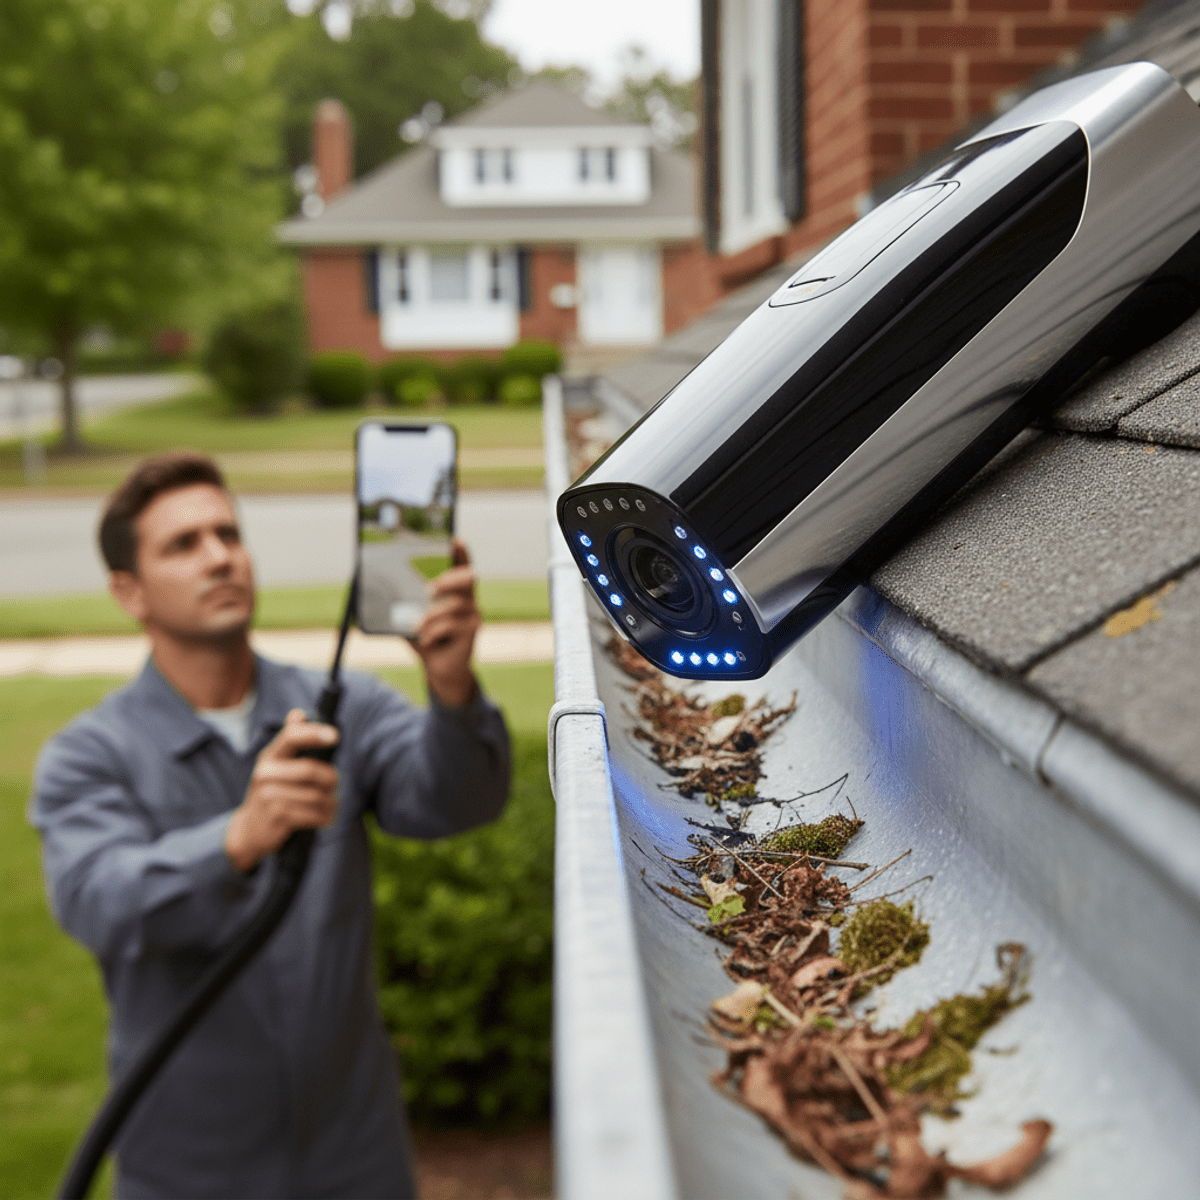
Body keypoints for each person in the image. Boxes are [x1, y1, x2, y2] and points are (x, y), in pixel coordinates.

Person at [30, 453, 510, 1199]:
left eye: (228, 533)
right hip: (188, 1173)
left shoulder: (345, 706)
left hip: (360, 1161)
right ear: (129, 591)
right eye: (183, 544)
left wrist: (452, 687)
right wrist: (237, 839)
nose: (219, 556)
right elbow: (99, 901)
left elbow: (459, 801)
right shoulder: (90, 756)